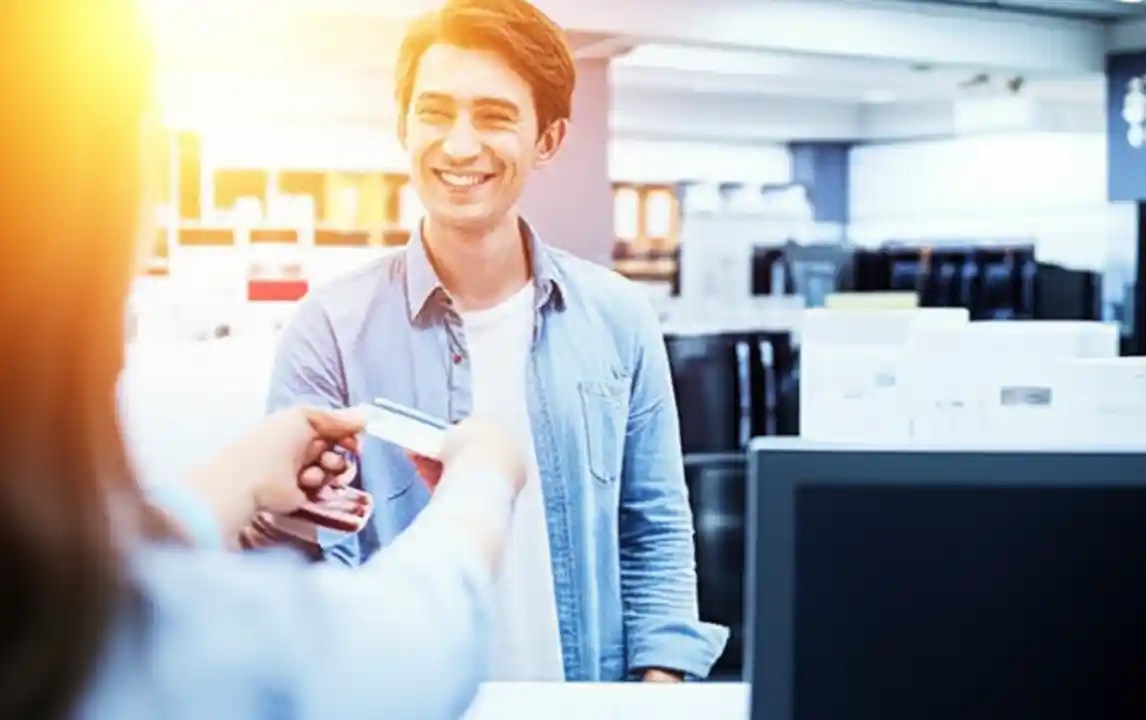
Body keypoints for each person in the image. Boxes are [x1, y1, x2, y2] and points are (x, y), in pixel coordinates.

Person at [1, 2, 527, 718]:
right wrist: (483, 480)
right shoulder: (177, 648)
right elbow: (404, 649)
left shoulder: (52, 598)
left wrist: (223, 488)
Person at [261, 0, 727, 683]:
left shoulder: (618, 318)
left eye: (495, 115)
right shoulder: (330, 328)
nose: (458, 144)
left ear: (548, 139)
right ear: (403, 125)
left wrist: (656, 690)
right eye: (435, 111)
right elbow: (299, 554)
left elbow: (654, 529)